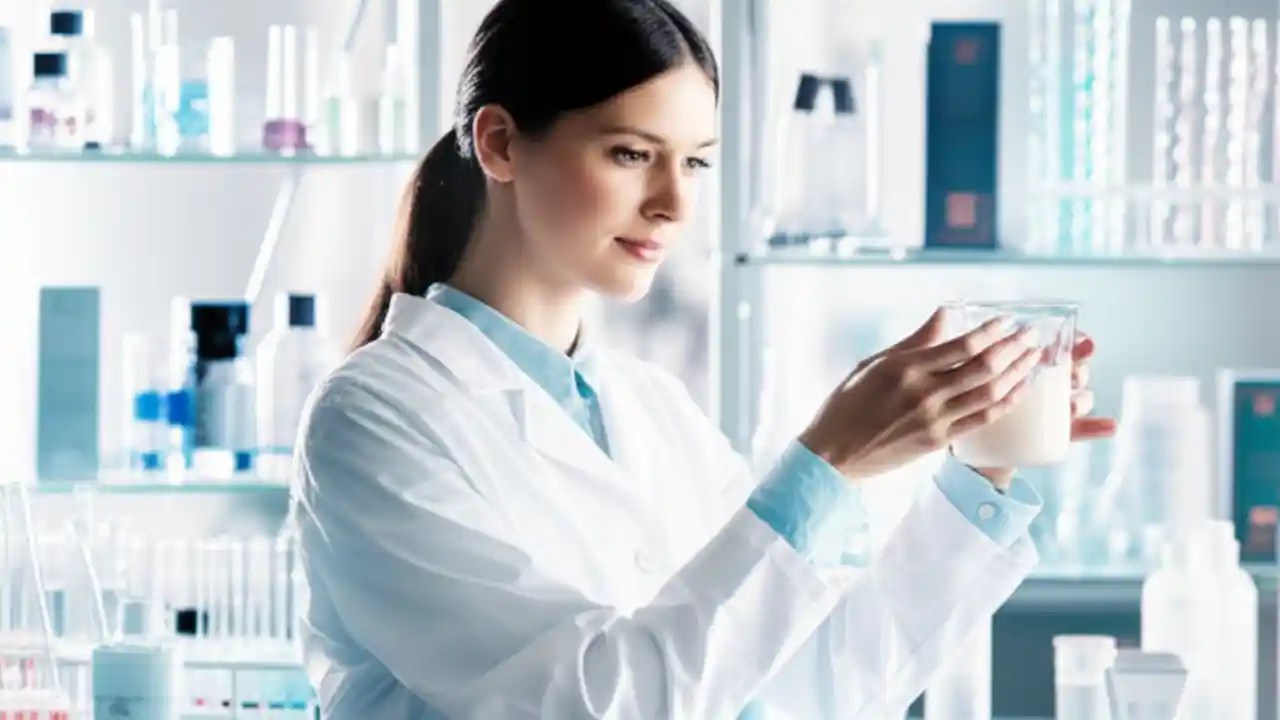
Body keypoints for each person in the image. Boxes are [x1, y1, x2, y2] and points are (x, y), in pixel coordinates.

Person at [292, 1, 1117, 718]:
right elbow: (590, 706)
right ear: (502, 144)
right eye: (629, 153)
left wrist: (983, 471)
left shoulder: (649, 408)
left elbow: (803, 688)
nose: (675, 203)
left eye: (694, 161)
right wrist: (828, 460)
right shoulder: (376, 416)